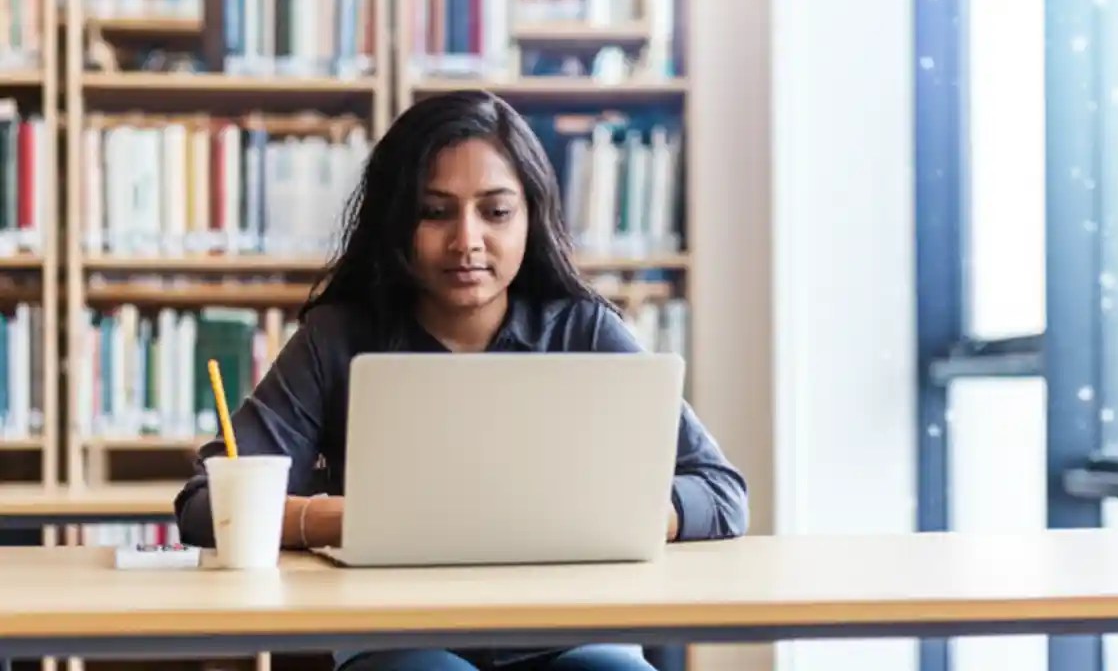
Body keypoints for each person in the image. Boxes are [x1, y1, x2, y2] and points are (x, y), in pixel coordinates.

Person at [172, 90, 750, 671]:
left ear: (532, 216)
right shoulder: (339, 338)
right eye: (436, 212)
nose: (467, 241)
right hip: (399, 637)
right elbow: (203, 506)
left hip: (568, 633)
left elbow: (722, 494)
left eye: (495, 212)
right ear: (397, 221)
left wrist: (618, 517)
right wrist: (347, 519)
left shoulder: (583, 330)